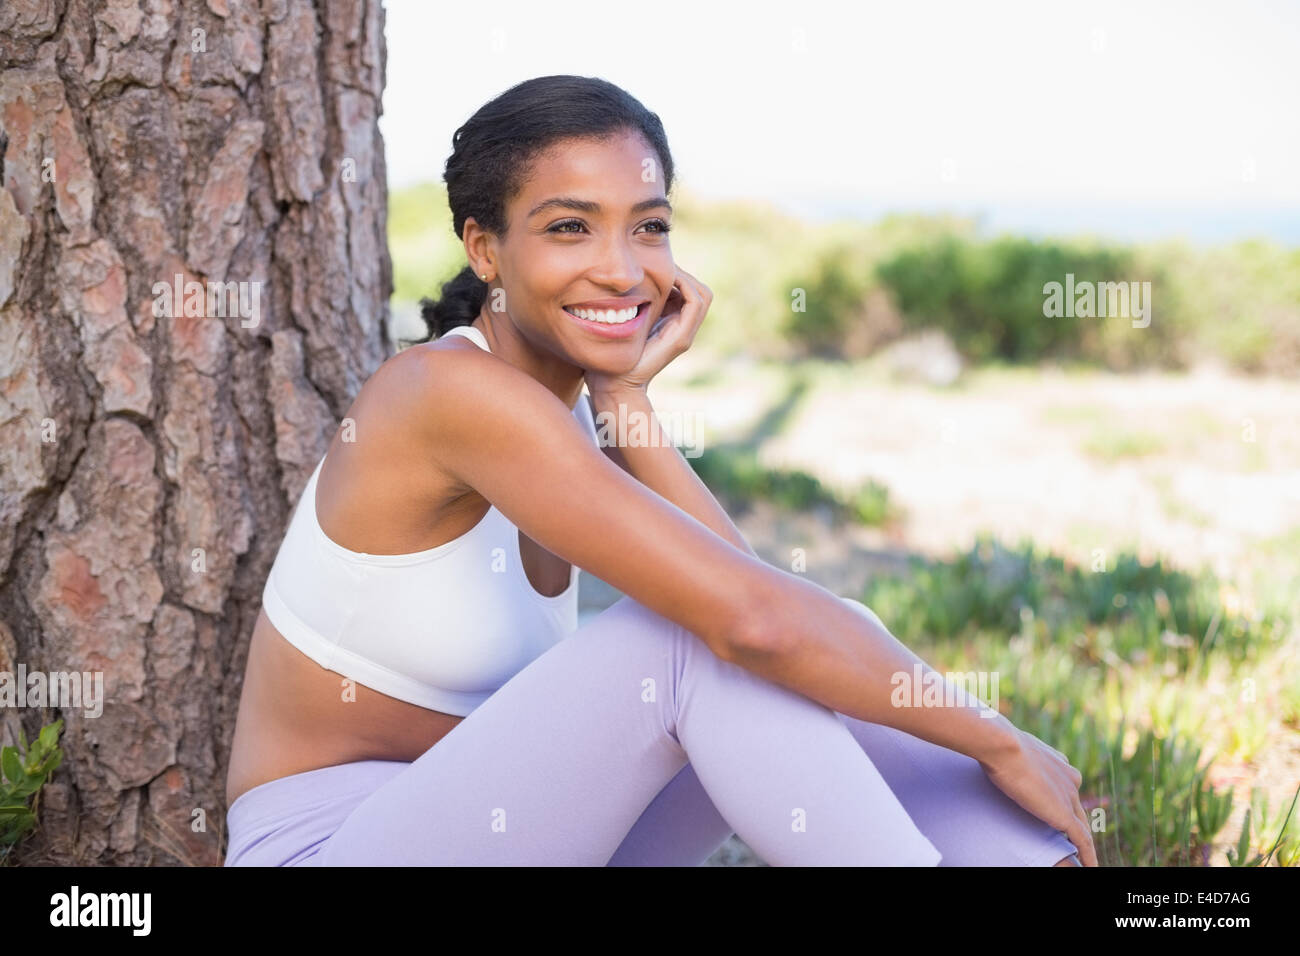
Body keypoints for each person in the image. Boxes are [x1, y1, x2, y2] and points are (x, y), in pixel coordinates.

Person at [222, 74, 1092, 867]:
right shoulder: (444, 391)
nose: (622, 267)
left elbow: (764, 611)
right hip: (330, 847)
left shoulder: (566, 406)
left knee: (813, 633)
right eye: (570, 227)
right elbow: (748, 622)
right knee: (689, 639)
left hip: (515, 838)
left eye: (649, 226)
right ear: (484, 249)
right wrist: (995, 737)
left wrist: (625, 399)